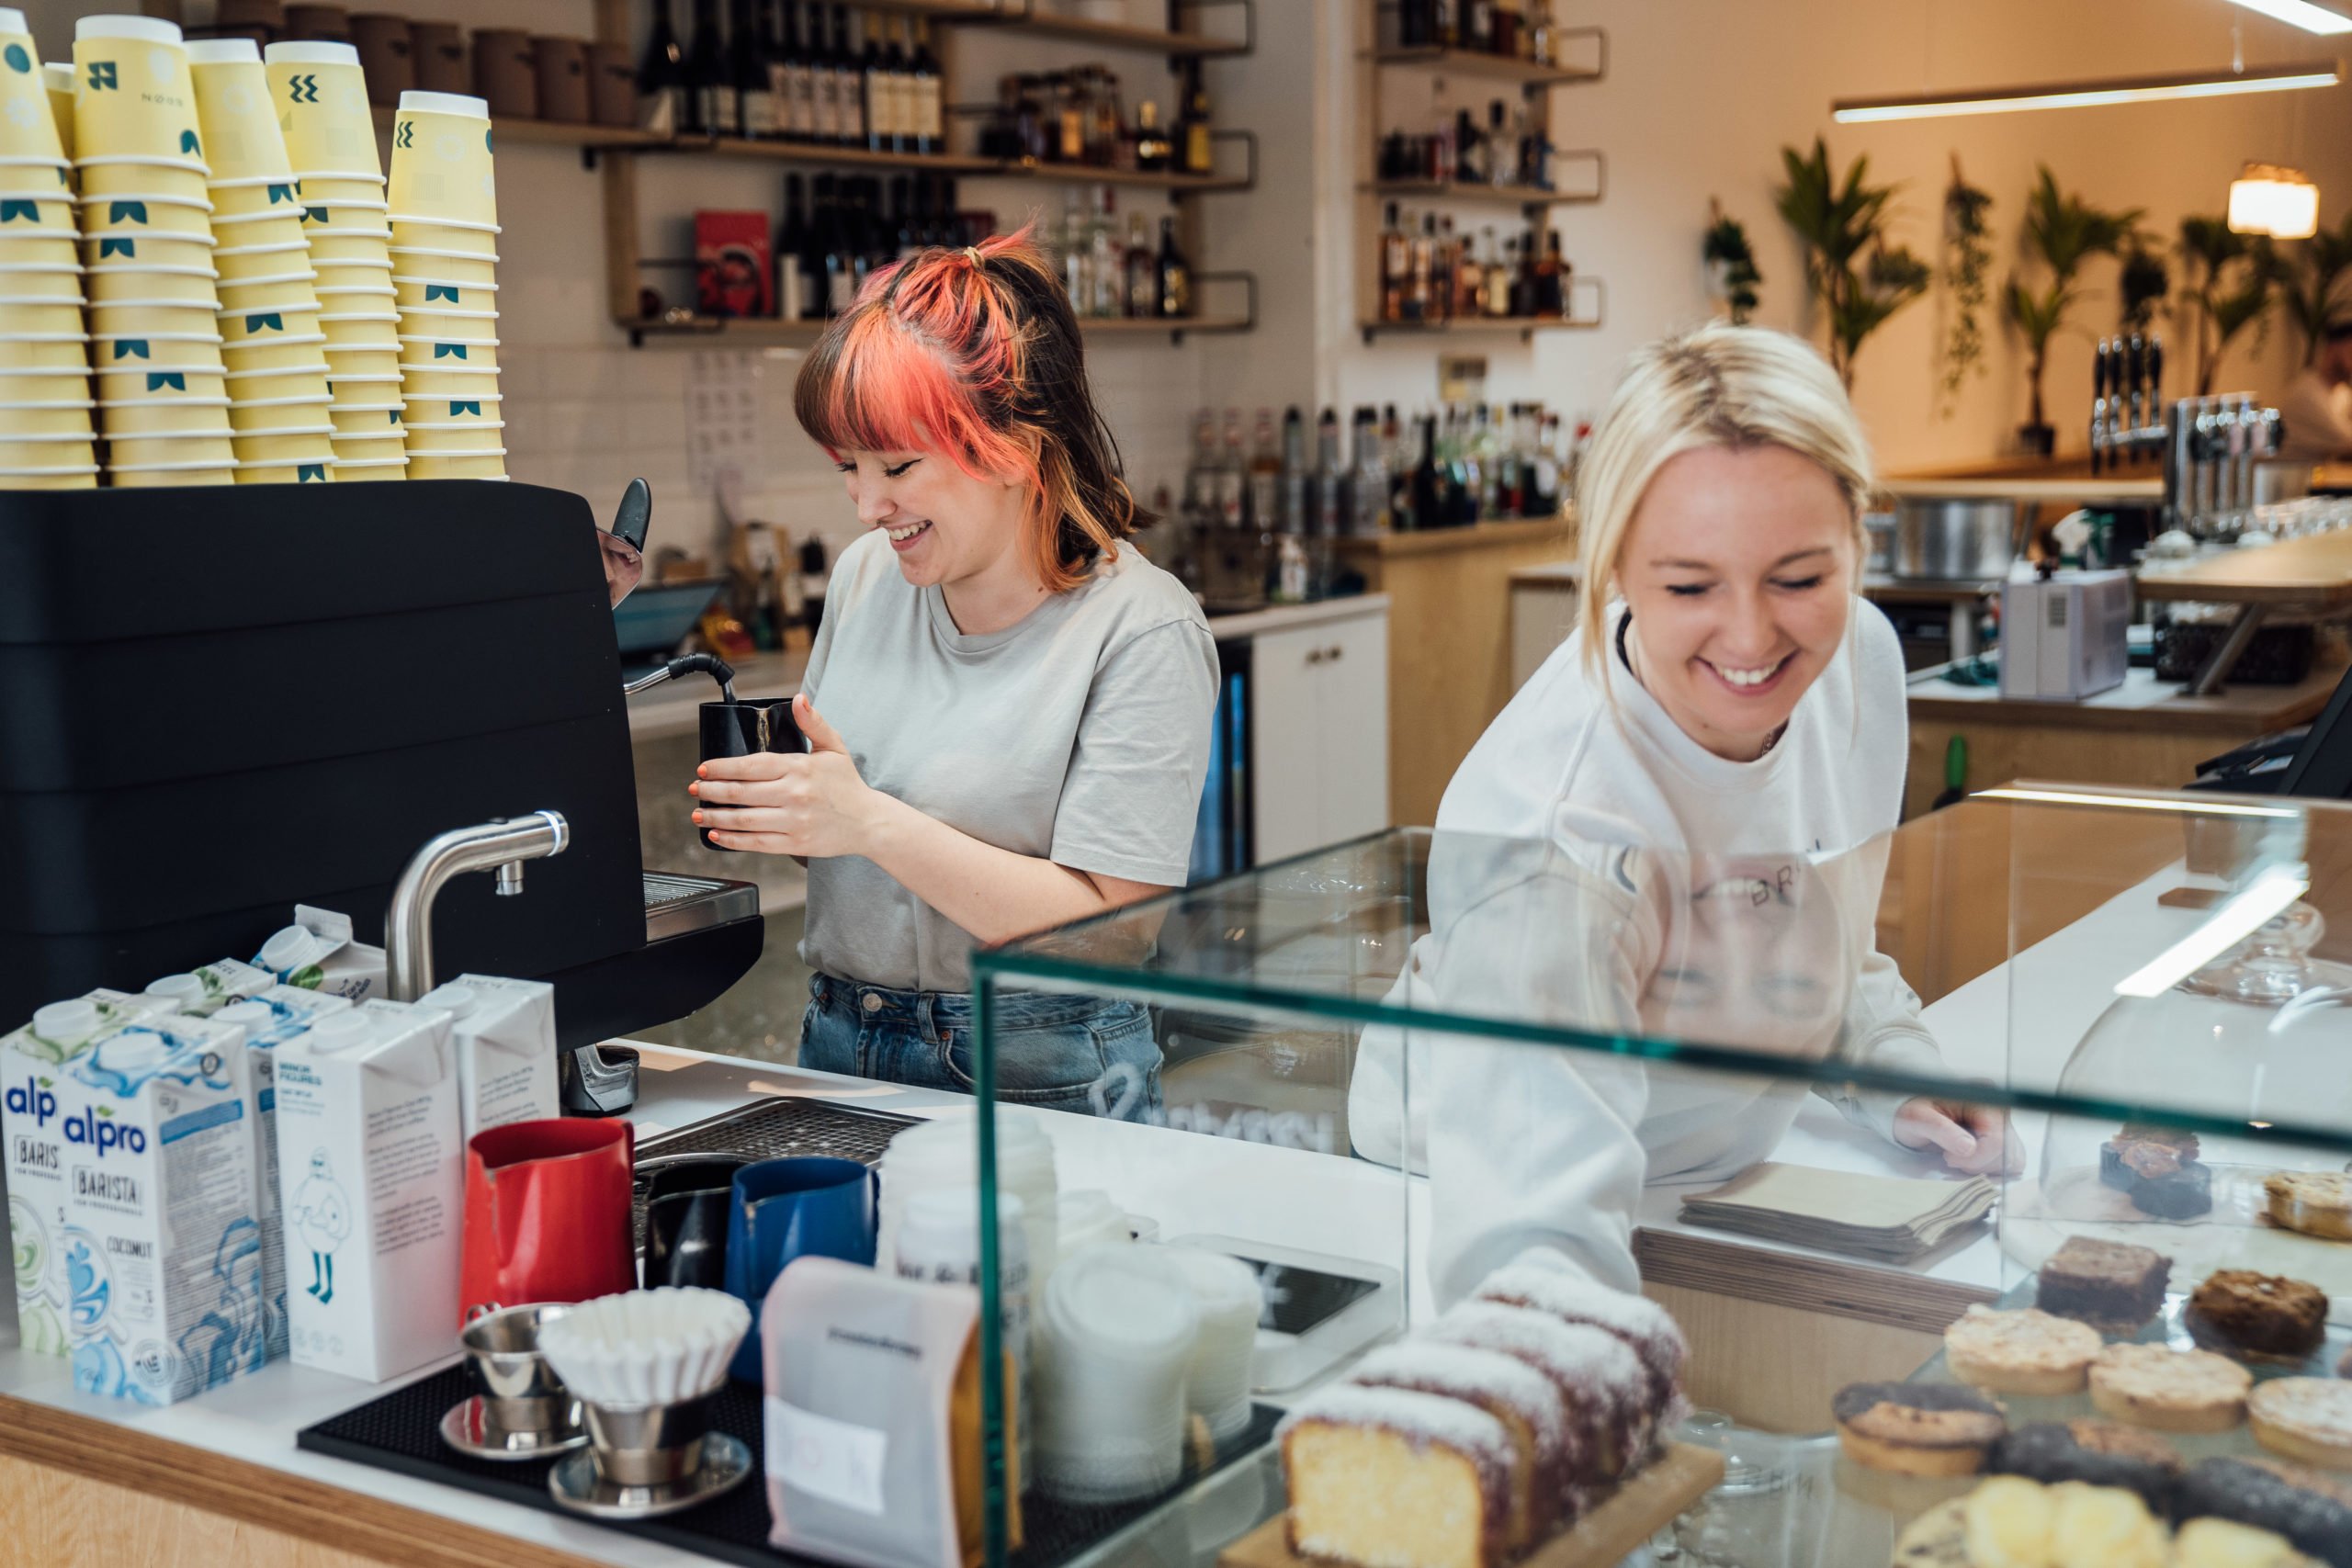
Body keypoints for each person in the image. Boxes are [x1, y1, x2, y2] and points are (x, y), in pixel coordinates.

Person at [1349, 321, 2017, 1301]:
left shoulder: (1853, 660)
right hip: (1468, 1205)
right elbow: (1534, 1234)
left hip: (1714, 1176)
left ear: (1857, 546)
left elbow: (1823, 935)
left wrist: (1891, 1068)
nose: (1752, 637)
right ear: (1612, 569)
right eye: (1690, 584)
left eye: (1799, 578)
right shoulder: (1556, 830)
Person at [689, 229, 1217, 1122]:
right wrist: (796, 809)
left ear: (1012, 444)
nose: (866, 505)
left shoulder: (1140, 628)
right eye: (848, 467)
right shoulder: (865, 577)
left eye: (896, 466)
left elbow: (1110, 937)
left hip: (1041, 1064)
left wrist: (866, 821)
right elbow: (854, 820)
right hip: (839, 1038)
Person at [2276, 321, 2352, 463]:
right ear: (2332, 348)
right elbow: (2347, 441)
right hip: (2289, 482)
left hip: (2319, 480)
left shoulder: (2342, 393)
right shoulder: (2307, 394)